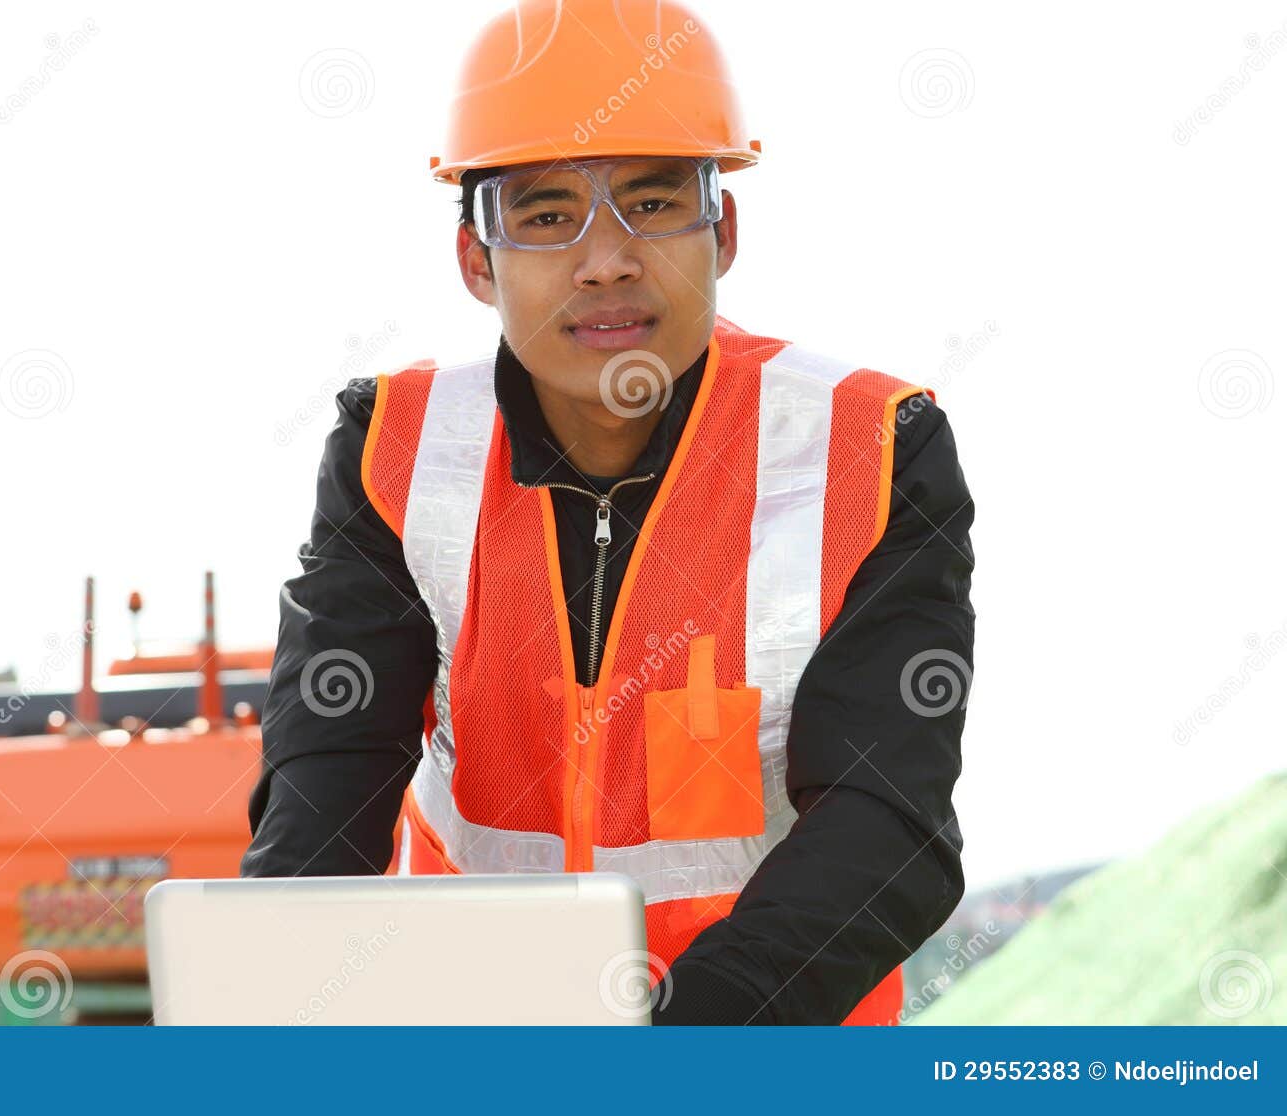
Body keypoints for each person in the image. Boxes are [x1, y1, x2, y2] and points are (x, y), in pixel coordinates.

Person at [242, 0, 975, 1025]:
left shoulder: (868, 452)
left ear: (722, 231)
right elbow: (329, 781)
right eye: (546, 214)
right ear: (475, 261)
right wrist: (277, 1010)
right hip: (486, 1052)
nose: (605, 260)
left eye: (652, 201)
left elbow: (887, 826)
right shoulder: (394, 454)